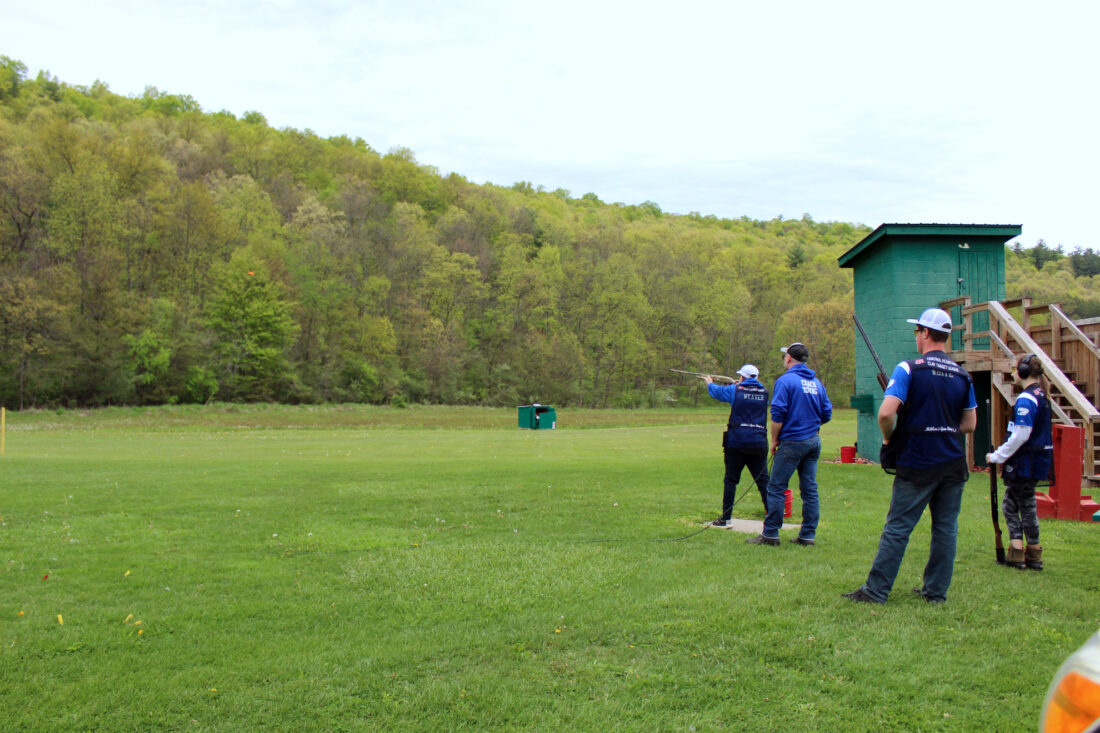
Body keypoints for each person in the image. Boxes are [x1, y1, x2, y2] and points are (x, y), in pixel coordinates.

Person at [844, 308, 977, 604]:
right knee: (945, 529)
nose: (916, 336)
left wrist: (891, 437)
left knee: (898, 528)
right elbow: (969, 425)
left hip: (917, 461)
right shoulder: (963, 375)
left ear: (926, 333)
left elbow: (885, 413)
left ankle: (876, 591)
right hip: (952, 464)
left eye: (917, 331)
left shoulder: (909, 368)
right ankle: (936, 592)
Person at [747, 342, 832, 546]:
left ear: (788, 359)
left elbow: (777, 414)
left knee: (776, 487)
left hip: (792, 441)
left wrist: (774, 440)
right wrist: (813, 424)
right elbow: (827, 413)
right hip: (813, 441)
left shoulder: (785, 381)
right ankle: (807, 535)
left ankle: (770, 534)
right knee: (810, 489)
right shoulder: (817, 384)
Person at [986, 354, 1052, 571]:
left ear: (1023, 371)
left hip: (1026, 462)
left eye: (1014, 369)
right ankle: (1031, 553)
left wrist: (997, 456)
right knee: (1022, 504)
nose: (1012, 373)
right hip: (1036, 461)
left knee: (1015, 505)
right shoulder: (1040, 395)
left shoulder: (1026, 399)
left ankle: (1019, 552)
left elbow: (1021, 435)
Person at [704, 365, 769, 526]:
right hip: (758, 442)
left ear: (742, 377)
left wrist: (709, 383)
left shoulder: (735, 390)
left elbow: (717, 392)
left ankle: (726, 518)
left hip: (736, 442)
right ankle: (774, 517)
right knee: (763, 482)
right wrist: (738, 384)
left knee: (731, 481)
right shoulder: (765, 393)